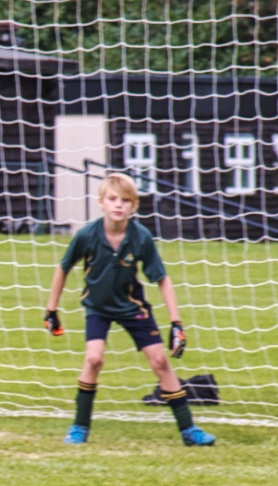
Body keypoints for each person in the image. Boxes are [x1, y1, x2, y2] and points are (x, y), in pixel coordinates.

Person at [44, 172, 213, 447]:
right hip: (97, 308)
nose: (118, 205)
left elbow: (162, 279)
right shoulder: (87, 235)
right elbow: (63, 268)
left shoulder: (141, 237)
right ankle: (79, 427)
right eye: (112, 199)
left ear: (134, 206)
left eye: (125, 200)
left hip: (131, 308)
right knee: (94, 360)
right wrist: (51, 310)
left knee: (160, 362)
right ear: (101, 203)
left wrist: (177, 323)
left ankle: (189, 430)